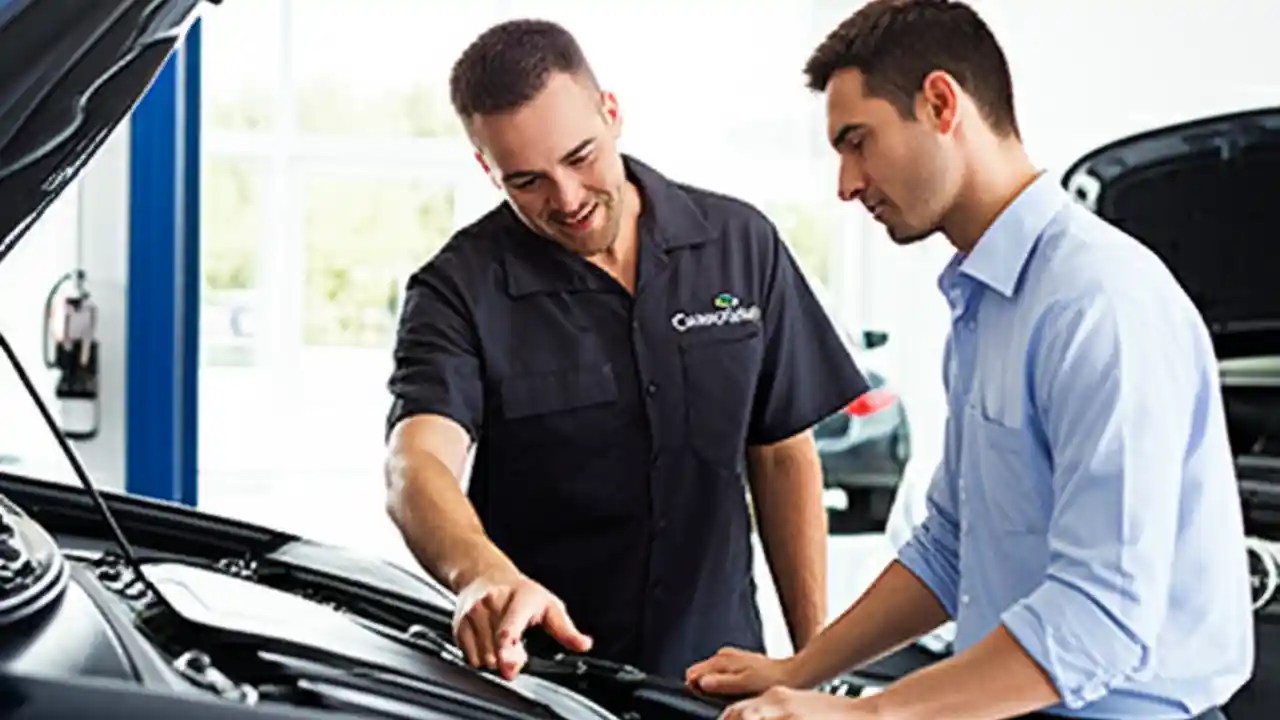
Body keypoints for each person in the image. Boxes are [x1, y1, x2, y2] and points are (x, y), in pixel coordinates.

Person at [685, 1, 1254, 718]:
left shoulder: (1098, 302)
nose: (846, 183)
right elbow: (949, 547)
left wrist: (864, 714)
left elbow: (1099, 616)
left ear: (940, 103)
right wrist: (799, 670)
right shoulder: (986, 306)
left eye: (858, 142)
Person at [383, 18, 870, 683]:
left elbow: (783, 454)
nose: (567, 199)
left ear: (610, 113)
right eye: (527, 181)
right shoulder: (456, 290)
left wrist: (814, 666)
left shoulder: (739, 244)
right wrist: (482, 574)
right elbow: (415, 466)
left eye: (580, 157)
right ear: (486, 169)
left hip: (719, 681)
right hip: (546, 684)